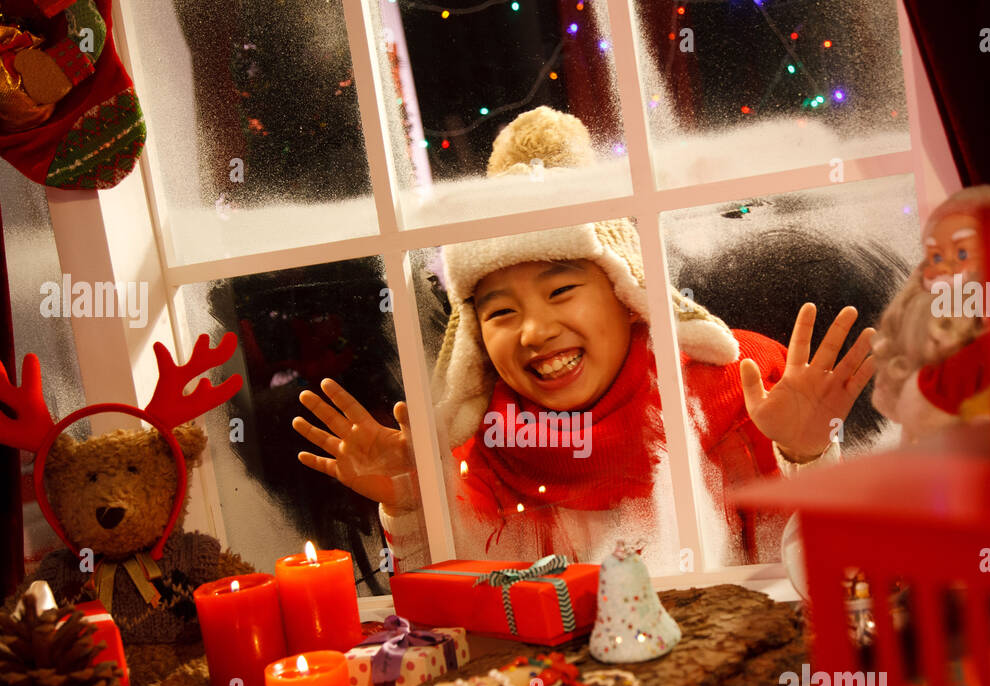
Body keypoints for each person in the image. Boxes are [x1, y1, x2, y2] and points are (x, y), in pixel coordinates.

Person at [293, 108, 876, 571]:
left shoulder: (738, 391)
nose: (535, 331)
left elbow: (822, 580)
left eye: (561, 290)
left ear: (626, 294)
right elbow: (463, 614)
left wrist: (808, 458)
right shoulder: (486, 452)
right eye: (500, 311)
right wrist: (409, 506)